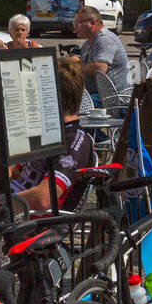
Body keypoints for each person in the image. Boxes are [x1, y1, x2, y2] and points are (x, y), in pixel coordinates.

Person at [9, 57, 96, 212]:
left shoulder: (75, 140)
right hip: (12, 207)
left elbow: (43, 199)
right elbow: (14, 168)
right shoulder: (48, 129)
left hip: (29, 223)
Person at [75, 5, 131, 100]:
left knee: (69, 106)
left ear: (92, 22)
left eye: (79, 22)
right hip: (96, 95)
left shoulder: (105, 39)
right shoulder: (87, 44)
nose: (76, 26)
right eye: (74, 23)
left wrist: (76, 64)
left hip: (113, 100)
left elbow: (99, 68)